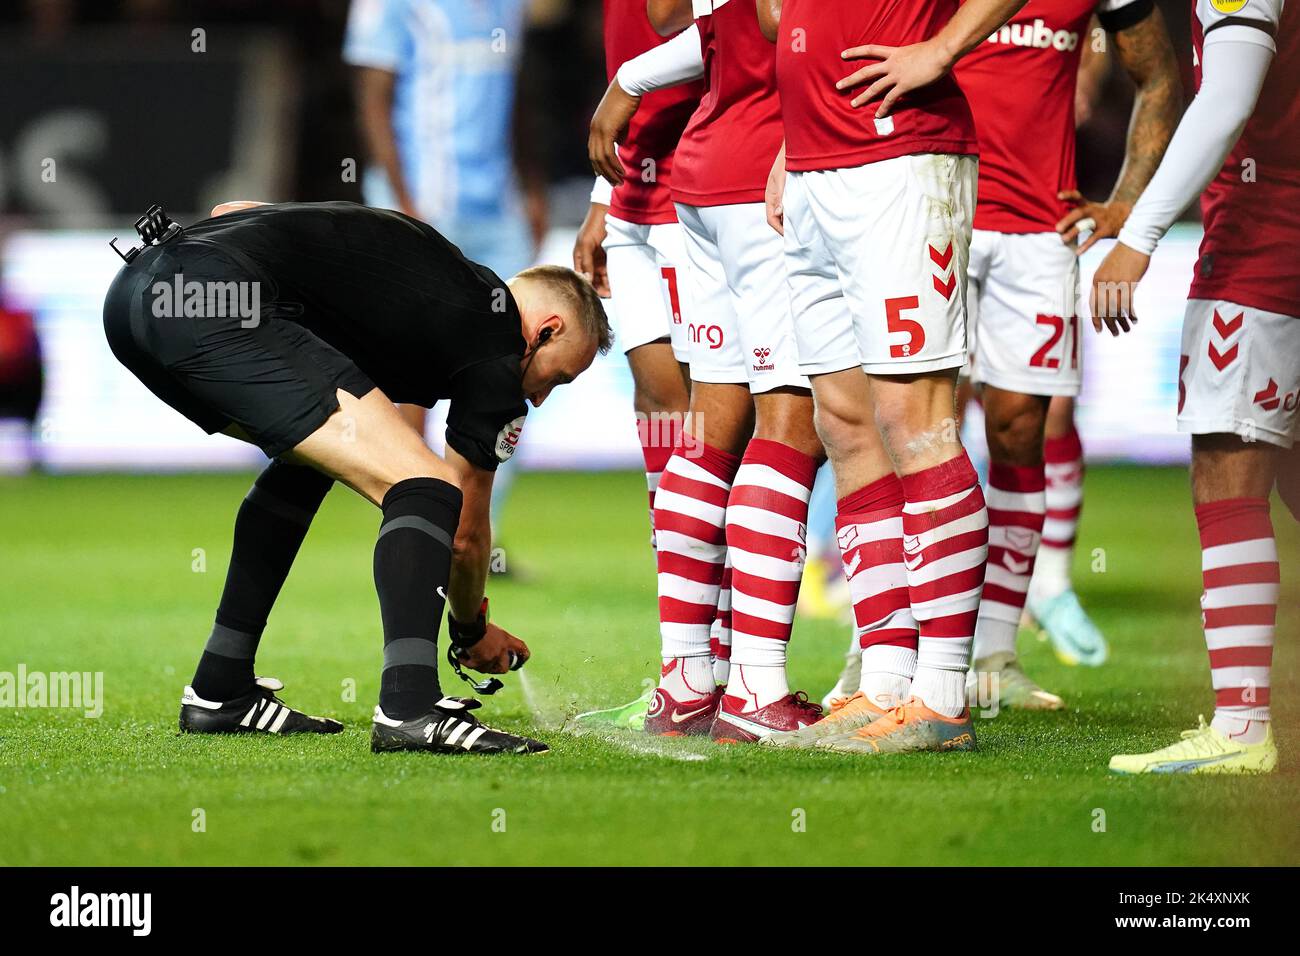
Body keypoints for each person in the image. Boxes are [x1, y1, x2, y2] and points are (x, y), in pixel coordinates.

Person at [102, 201, 610, 756]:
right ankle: (410, 708)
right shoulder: (497, 342)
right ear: (545, 330)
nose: (537, 398)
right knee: (428, 487)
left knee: (307, 464)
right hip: (213, 307)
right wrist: (469, 631)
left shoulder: (431, 263)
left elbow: (237, 209)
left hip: (136, 295)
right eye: (555, 378)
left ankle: (220, 688)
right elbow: (465, 531)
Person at [760, 0, 1028, 754]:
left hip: (902, 157)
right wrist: (794, 132)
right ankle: (883, 683)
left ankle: (941, 695)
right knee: (846, 428)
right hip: (817, 162)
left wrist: (941, 48)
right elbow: (785, 22)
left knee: (918, 422)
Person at [590, 0, 829, 742]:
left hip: (700, 174)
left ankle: (689, 679)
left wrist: (632, 76)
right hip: (764, 181)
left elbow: (703, 27)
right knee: (795, 424)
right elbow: (772, 23)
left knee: (705, 431)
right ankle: (759, 687)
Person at [955, 0, 1181, 707]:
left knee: (1024, 430)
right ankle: (881, 656)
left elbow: (1160, 77)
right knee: (912, 426)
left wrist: (1129, 206)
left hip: (1039, 231)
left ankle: (997, 654)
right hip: (932, 209)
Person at [1094, 0, 1296, 774]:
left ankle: (1242, 728)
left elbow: (1229, 93)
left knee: (1227, 466)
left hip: (1267, 239)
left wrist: (1138, 238)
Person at [570, 0, 702, 730]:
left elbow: (722, 39)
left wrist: (627, 77)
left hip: (704, 202)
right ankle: (683, 669)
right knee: (660, 416)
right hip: (633, 204)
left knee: (716, 427)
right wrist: (602, 196)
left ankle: (735, 665)